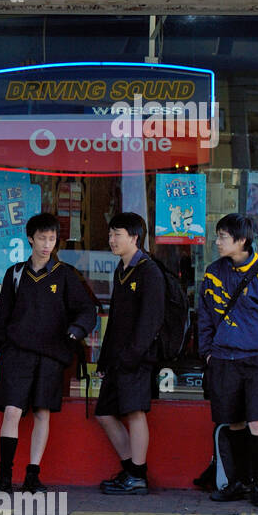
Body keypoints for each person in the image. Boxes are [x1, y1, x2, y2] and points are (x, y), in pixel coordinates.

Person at [0, 212, 97, 494]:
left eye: (52, 239)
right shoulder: (15, 274)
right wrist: (6, 346)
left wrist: (76, 331)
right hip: (17, 355)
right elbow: (1, 317)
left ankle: (32, 474)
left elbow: (87, 310)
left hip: (50, 356)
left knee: (42, 414)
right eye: (42, 238)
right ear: (30, 238)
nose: (47, 244)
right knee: (11, 412)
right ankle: (4, 476)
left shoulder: (65, 275)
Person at [199, 213, 258, 507]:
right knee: (232, 421)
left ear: (241, 240)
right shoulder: (213, 273)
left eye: (223, 236)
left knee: (256, 422)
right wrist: (208, 354)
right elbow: (204, 317)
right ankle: (236, 482)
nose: (218, 241)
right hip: (224, 359)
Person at [95, 212, 165, 496]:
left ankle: (137, 475)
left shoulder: (149, 271)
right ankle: (131, 469)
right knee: (104, 413)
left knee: (135, 413)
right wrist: (104, 359)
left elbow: (151, 321)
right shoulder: (121, 270)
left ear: (135, 237)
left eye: (118, 234)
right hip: (117, 359)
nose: (112, 240)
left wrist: (133, 355)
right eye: (110, 234)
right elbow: (115, 320)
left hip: (137, 358)